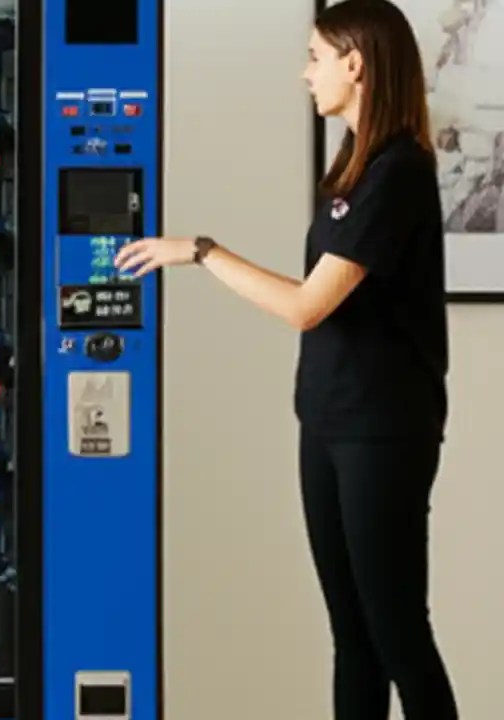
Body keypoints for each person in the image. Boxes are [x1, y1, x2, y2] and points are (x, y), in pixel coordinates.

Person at [114, 0, 458, 718]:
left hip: (381, 434)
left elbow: (309, 305)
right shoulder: (354, 168)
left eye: (314, 57)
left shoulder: (397, 172)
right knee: (353, 637)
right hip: (328, 425)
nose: (305, 74)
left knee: (398, 636)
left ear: (355, 64)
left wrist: (201, 252)